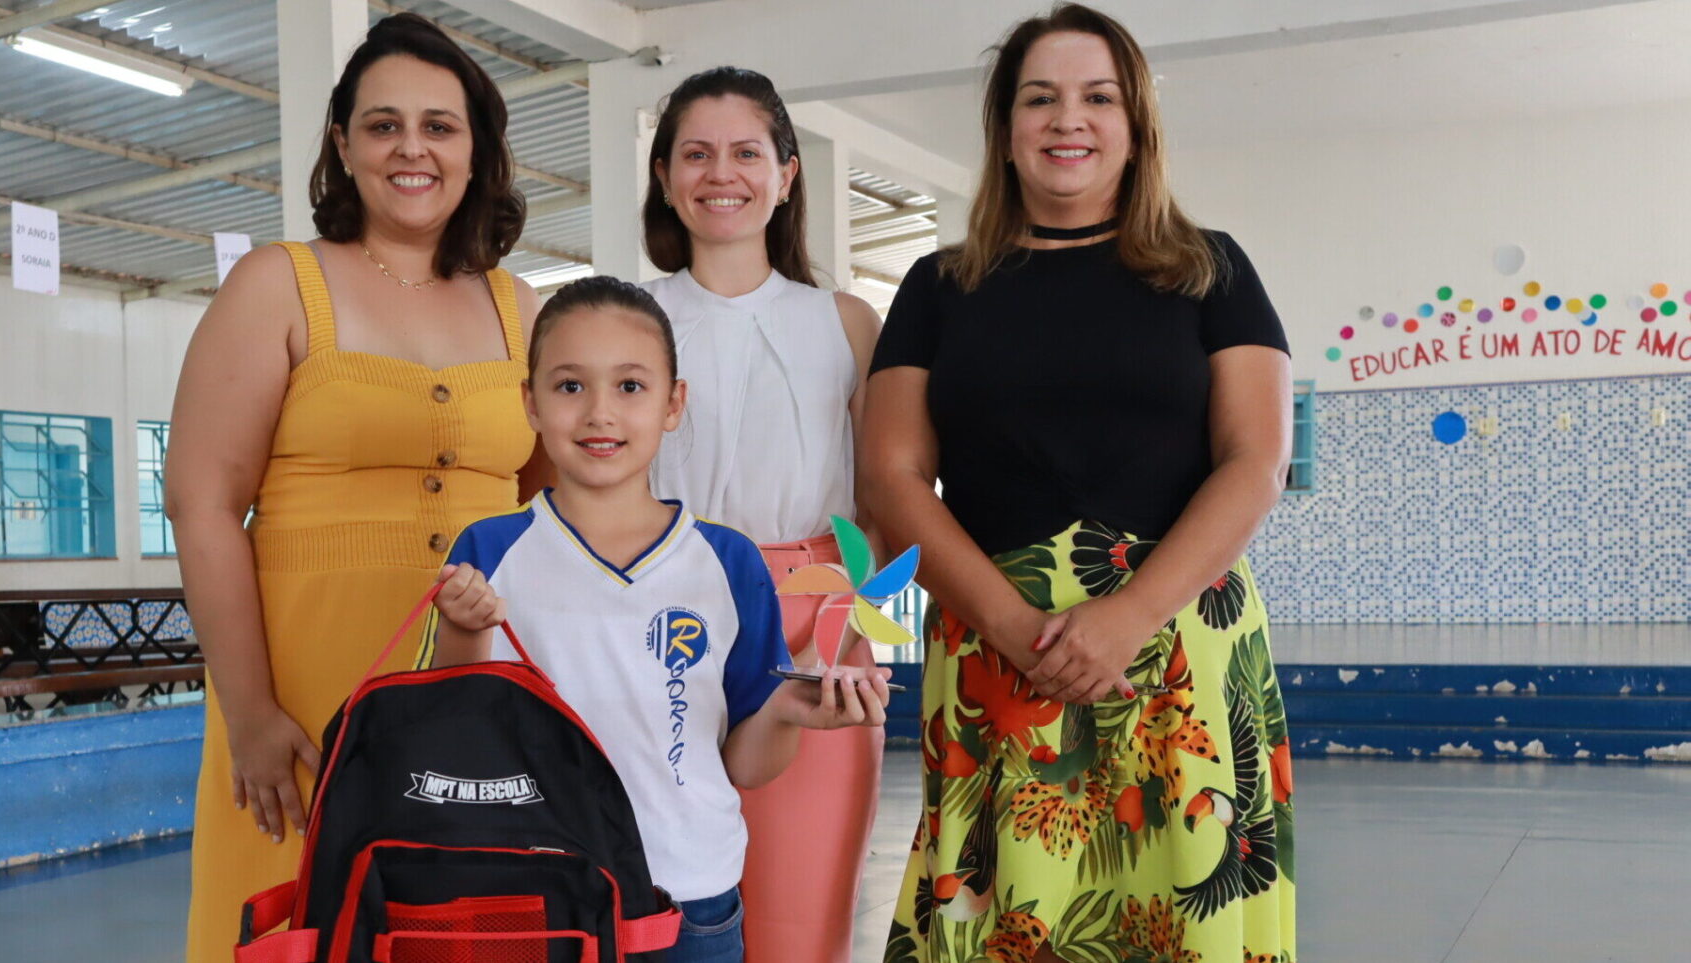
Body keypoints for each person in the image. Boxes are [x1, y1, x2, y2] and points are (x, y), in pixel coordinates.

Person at [861, 5, 1297, 962]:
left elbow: (1255, 464)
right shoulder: (938, 289)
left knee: (1188, 917)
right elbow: (890, 479)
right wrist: (1017, 630)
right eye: (1040, 98)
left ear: (1135, 127)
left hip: (1180, 648)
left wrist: (1130, 614)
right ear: (1006, 131)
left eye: (1098, 97)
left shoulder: (1211, 270)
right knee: (1008, 918)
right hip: (994, 655)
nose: (1070, 120)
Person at [165, 13, 548, 960]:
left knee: (449, 924)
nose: (410, 148)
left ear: (476, 150)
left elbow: (559, 512)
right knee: (290, 921)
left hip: (469, 681)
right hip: (302, 688)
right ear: (342, 144)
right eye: (382, 125)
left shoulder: (521, 306)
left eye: (439, 125)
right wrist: (250, 711)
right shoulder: (279, 284)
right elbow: (203, 503)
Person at [428, 276, 894, 963]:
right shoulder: (490, 551)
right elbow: (454, 732)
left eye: (630, 386)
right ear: (528, 402)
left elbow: (747, 763)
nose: (599, 413)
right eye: (568, 386)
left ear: (675, 403)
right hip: (530, 897)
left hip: (692, 901)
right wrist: (465, 631)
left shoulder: (726, 561)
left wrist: (790, 713)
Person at [637, 66, 886, 963]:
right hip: (657, 615)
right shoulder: (629, 316)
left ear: (786, 174)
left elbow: (886, 501)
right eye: (695, 154)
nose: (721, 173)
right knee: (659, 906)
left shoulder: (847, 322)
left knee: (801, 913)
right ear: (665, 176)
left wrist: (862, 631)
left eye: (747, 152)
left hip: (815, 617)